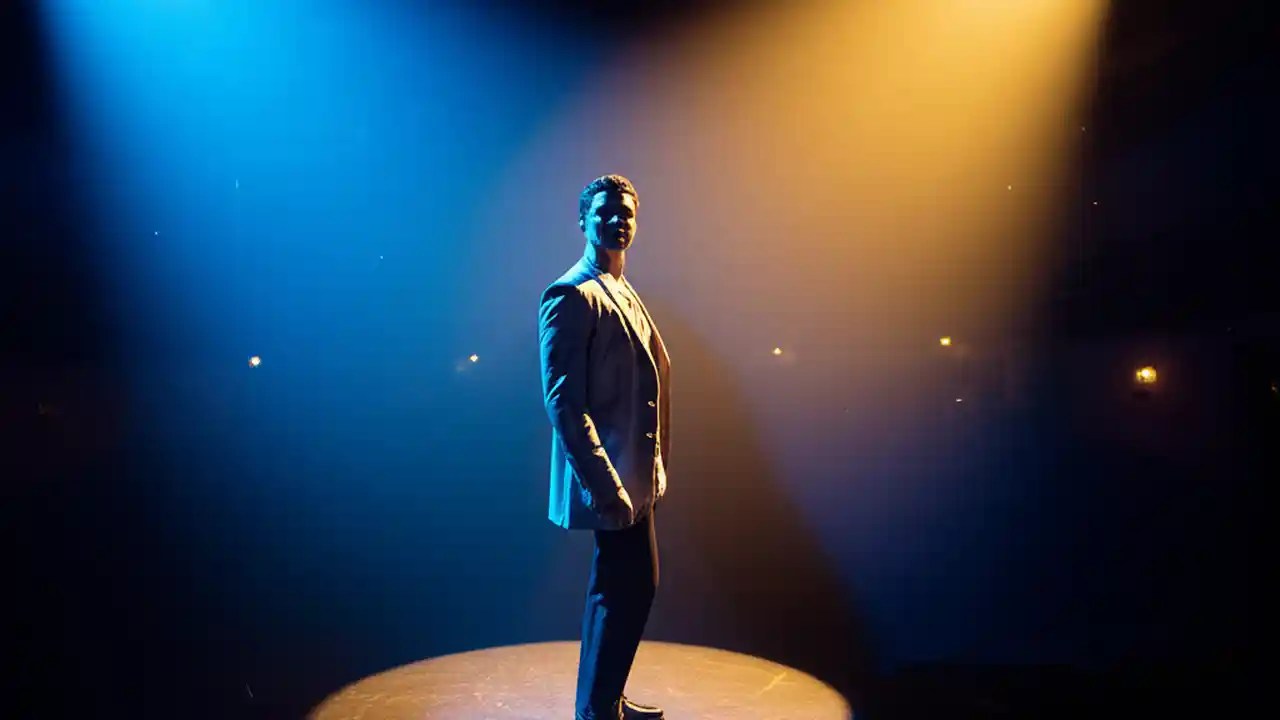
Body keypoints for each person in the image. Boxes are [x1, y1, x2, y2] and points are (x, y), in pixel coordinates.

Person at [538, 174, 672, 720]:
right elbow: (565, 405)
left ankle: (603, 701)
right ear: (583, 220)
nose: (619, 220)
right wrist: (605, 486)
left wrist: (654, 461)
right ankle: (597, 710)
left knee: (616, 591)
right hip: (612, 479)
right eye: (607, 212)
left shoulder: (622, 286)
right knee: (630, 589)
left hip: (634, 476)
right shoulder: (572, 294)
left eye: (628, 213)